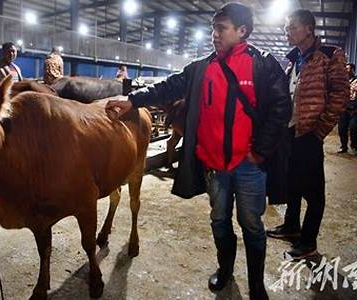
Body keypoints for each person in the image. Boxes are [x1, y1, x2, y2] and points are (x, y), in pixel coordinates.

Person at [106, 3, 291, 299]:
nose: (214, 35)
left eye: (221, 29)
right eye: (213, 29)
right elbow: (168, 86)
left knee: (251, 223)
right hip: (214, 165)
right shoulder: (203, 67)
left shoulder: (263, 64)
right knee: (219, 220)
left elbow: (282, 108)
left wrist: (260, 151)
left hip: (248, 165)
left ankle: (256, 283)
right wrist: (133, 99)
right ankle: (226, 270)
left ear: (242, 31)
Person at [266, 9, 348, 260]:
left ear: (308, 30)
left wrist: (320, 130)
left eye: (290, 27)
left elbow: (340, 95)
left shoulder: (329, 55)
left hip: (309, 133)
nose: (286, 31)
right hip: (291, 133)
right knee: (292, 184)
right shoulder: (294, 61)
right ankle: (292, 226)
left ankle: (308, 242)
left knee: (314, 193)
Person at [337, 63, 357, 155]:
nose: (346, 71)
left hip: (355, 109)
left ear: (352, 70)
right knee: (341, 128)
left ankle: (354, 146)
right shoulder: (342, 81)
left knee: (353, 128)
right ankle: (343, 146)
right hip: (343, 109)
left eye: (348, 69)